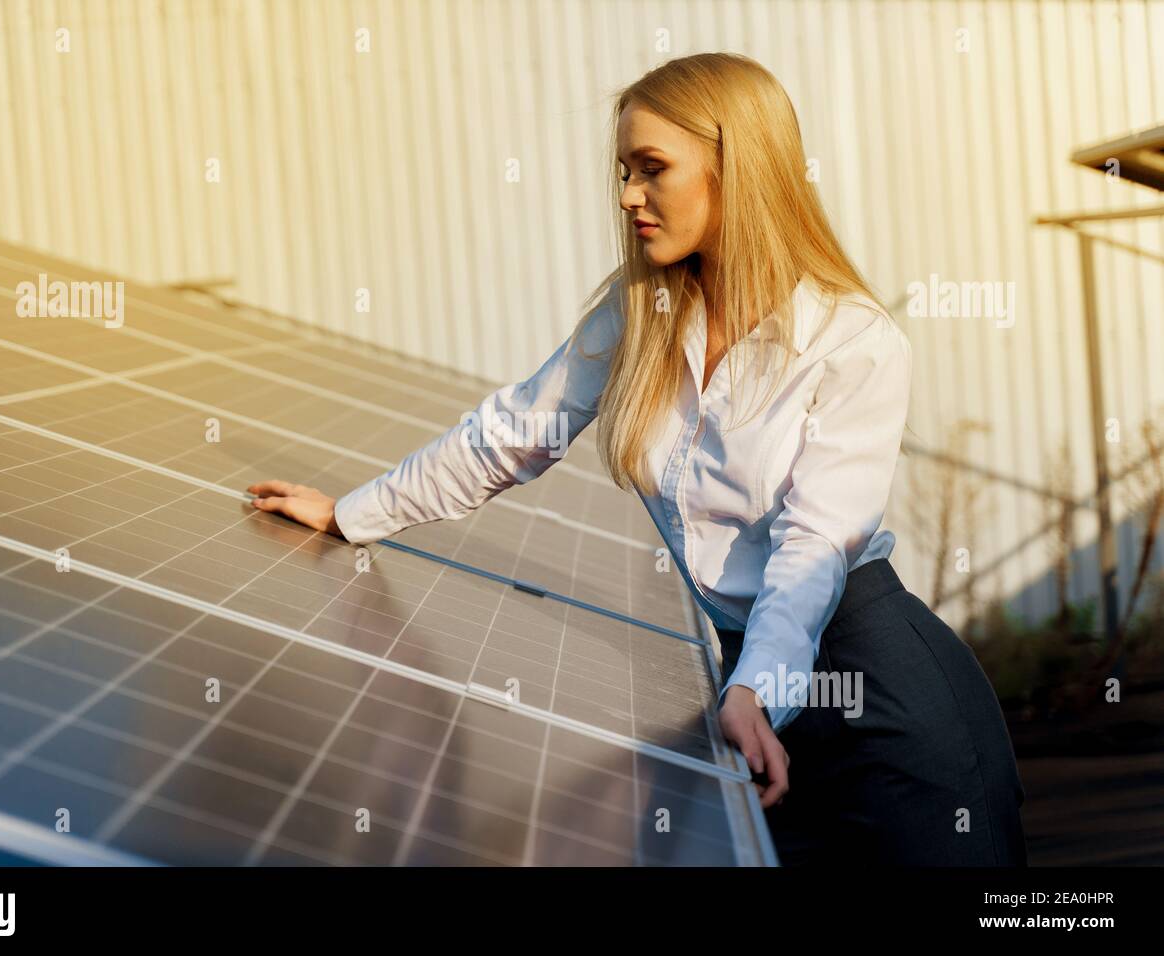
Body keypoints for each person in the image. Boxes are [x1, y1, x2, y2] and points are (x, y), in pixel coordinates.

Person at [247, 52, 1027, 866]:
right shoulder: (641, 316)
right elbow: (511, 433)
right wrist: (352, 513)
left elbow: (816, 547)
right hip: (746, 695)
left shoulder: (853, 341)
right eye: (624, 170)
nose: (627, 196)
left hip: (881, 697)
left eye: (652, 169)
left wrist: (758, 688)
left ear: (741, 169)